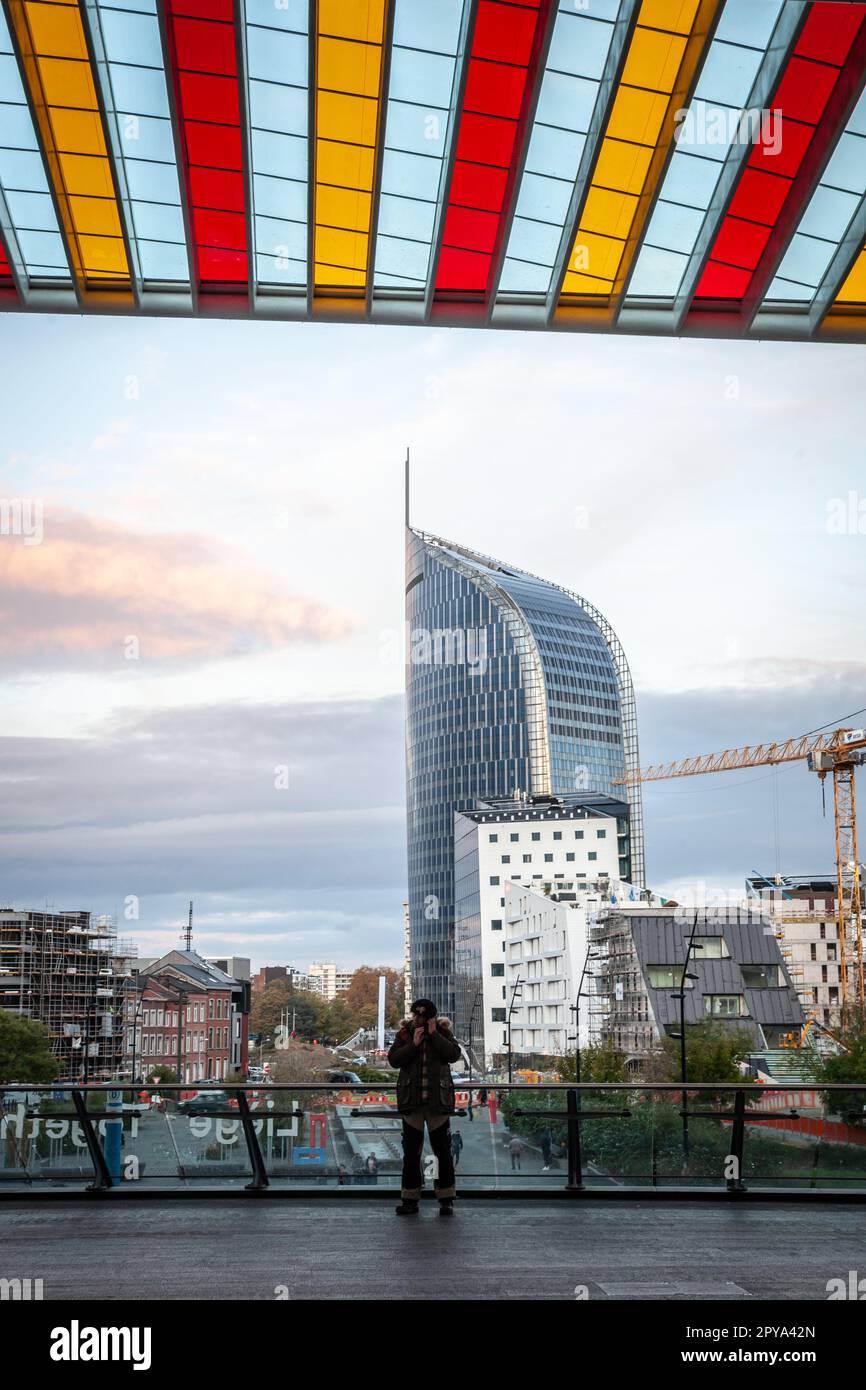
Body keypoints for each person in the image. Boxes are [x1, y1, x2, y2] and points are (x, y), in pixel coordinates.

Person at [387, 998, 461, 1216]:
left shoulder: (443, 1032)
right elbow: (394, 1060)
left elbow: (453, 1055)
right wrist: (414, 1044)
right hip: (413, 1103)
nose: (416, 1019)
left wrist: (434, 1034)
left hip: (438, 1103)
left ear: (431, 1018)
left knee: (442, 1153)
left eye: (421, 1017)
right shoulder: (405, 1034)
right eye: (414, 1015)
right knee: (411, 1154)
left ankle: (446, 1198)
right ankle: (410, 1199)